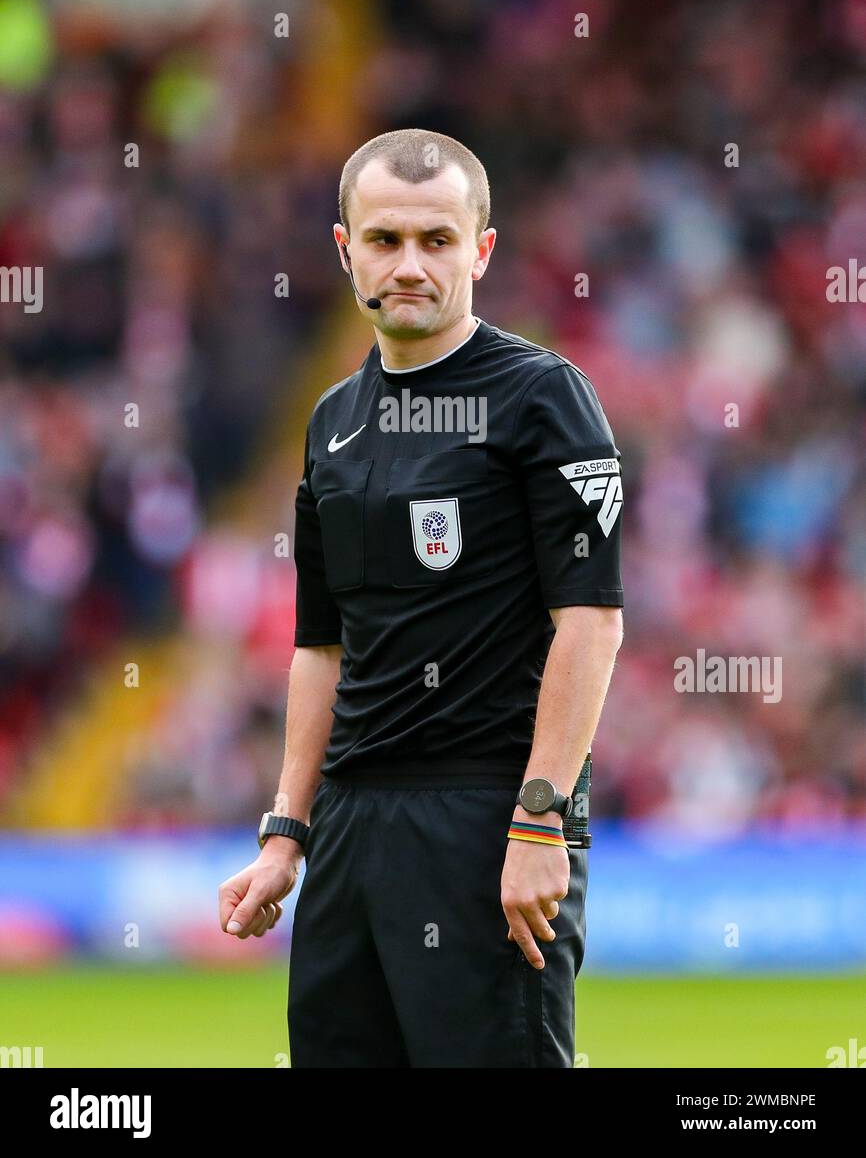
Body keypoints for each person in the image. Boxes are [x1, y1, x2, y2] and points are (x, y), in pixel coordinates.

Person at [218, 129, 624, 1068]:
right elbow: (321, 647)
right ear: (345, 248)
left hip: (486, 817)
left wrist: (539, 820)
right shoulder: (330, 422)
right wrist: (287, 833)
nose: (410, 264)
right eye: (386, 239)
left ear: (481, 250)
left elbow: (591, 623)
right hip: (353, 831)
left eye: (438, 240)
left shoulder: (544, 399)